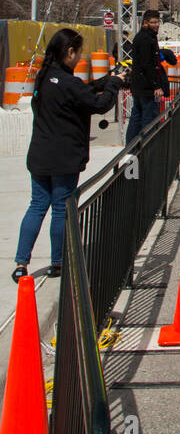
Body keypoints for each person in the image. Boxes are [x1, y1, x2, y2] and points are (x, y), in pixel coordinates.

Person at [12, 29, 127, 282]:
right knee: (61, 209)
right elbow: (99, 105)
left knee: (37, 206)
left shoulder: (44, 78)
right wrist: (115, 83)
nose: (79, 58)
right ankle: (59, 261)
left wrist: (104, 80)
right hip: (64, 158)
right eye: (78, 53)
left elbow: (79, 92)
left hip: (40, 156)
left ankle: (21, 263)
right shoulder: (68, 84)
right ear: (69, 52)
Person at [126, 9, 169, 144]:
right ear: (145, 23)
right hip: (145, 87)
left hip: (140, 85)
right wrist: (156, 85)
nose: (157, 25)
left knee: (137, 116)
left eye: (158, 22)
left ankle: (132, 145)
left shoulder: (147, 37)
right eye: (153, 22)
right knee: (148, 118)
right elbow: (147, 65)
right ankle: (147, 145)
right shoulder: (145, 39)